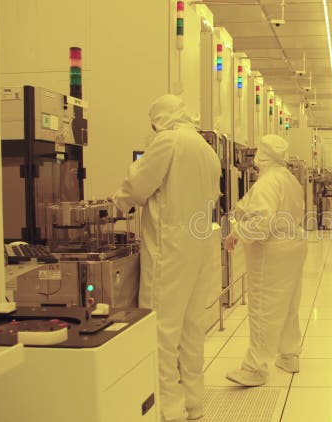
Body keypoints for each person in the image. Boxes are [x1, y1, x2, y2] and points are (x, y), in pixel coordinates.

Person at [113, 95, 221, 422]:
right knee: (191, 328)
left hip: (172, 247)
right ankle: (193, 405)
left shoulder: (168, 142)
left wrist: (118, 203)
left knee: (162, 329)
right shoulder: (207, 149)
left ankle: (169, 411)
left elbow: (137, 185)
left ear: (160, 118)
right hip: (201, 245)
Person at [224, 134, 308, 386]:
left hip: (271, 252)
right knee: (288, 304)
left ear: (263, 155)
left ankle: (255, 368)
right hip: (293, 248)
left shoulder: (267, 183)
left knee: (264, 307)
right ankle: (289, 355)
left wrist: (237, 232)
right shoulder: (290, 180)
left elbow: (261, 224)